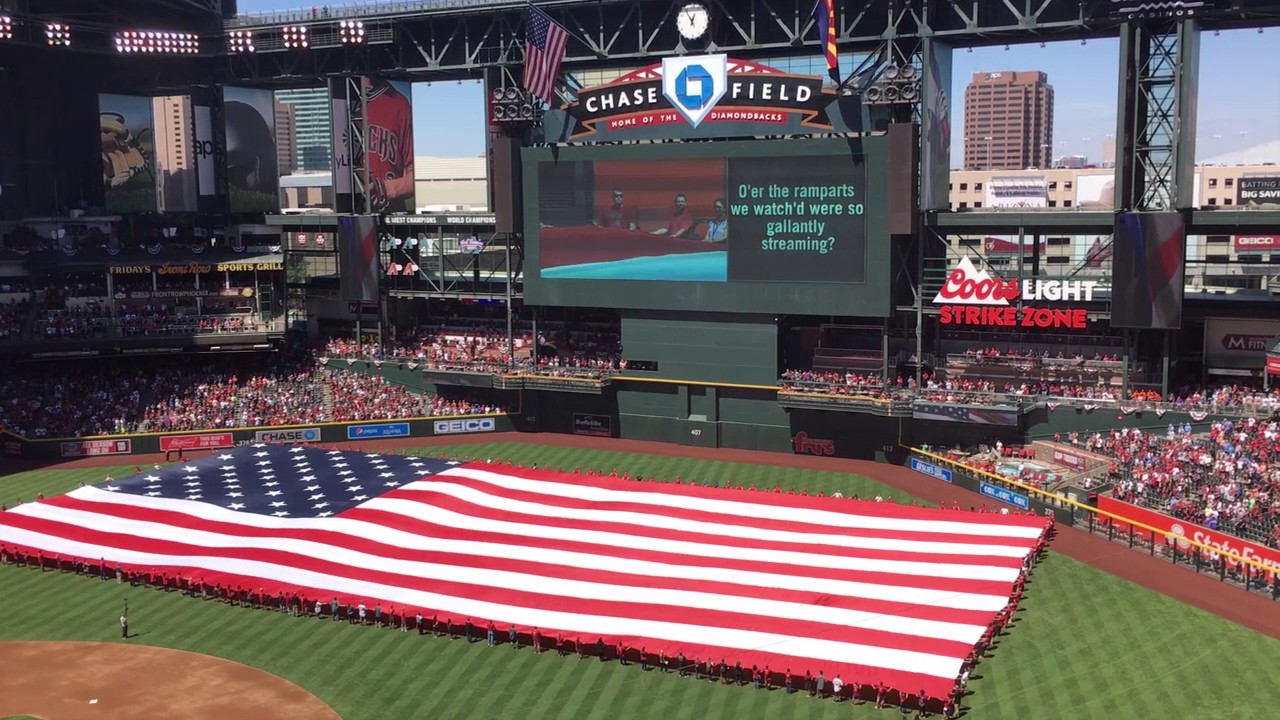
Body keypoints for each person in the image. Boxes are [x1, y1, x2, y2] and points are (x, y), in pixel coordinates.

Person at [363, 78, 415, 213]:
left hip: (388, 210)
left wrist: (387, 188)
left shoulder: (399, 103)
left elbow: (417, 177)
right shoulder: (337, 100)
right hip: (346, 206)